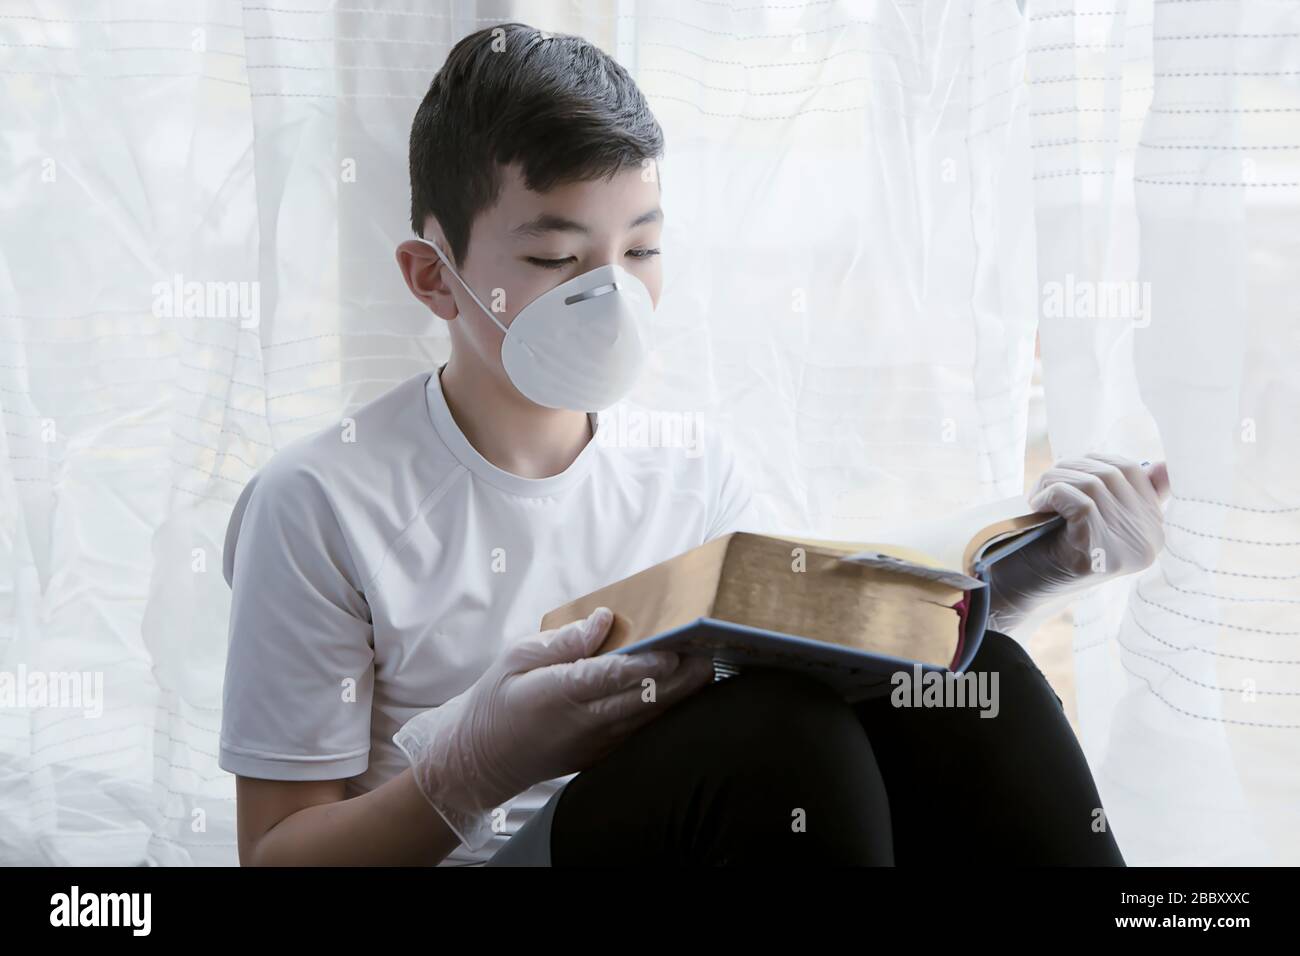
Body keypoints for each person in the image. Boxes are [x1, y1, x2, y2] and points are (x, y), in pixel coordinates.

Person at [218, 22, 1169, 867]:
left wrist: (1021, 582)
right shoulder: (318, 498)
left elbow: (825, 674)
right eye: (555, 260)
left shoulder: (691, 468)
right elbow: (277, 853)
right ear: (433, 277)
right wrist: (475, 766)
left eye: (639, 251)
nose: (610, 295)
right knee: (771, 737)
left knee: (977, 688)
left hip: (702, 830)